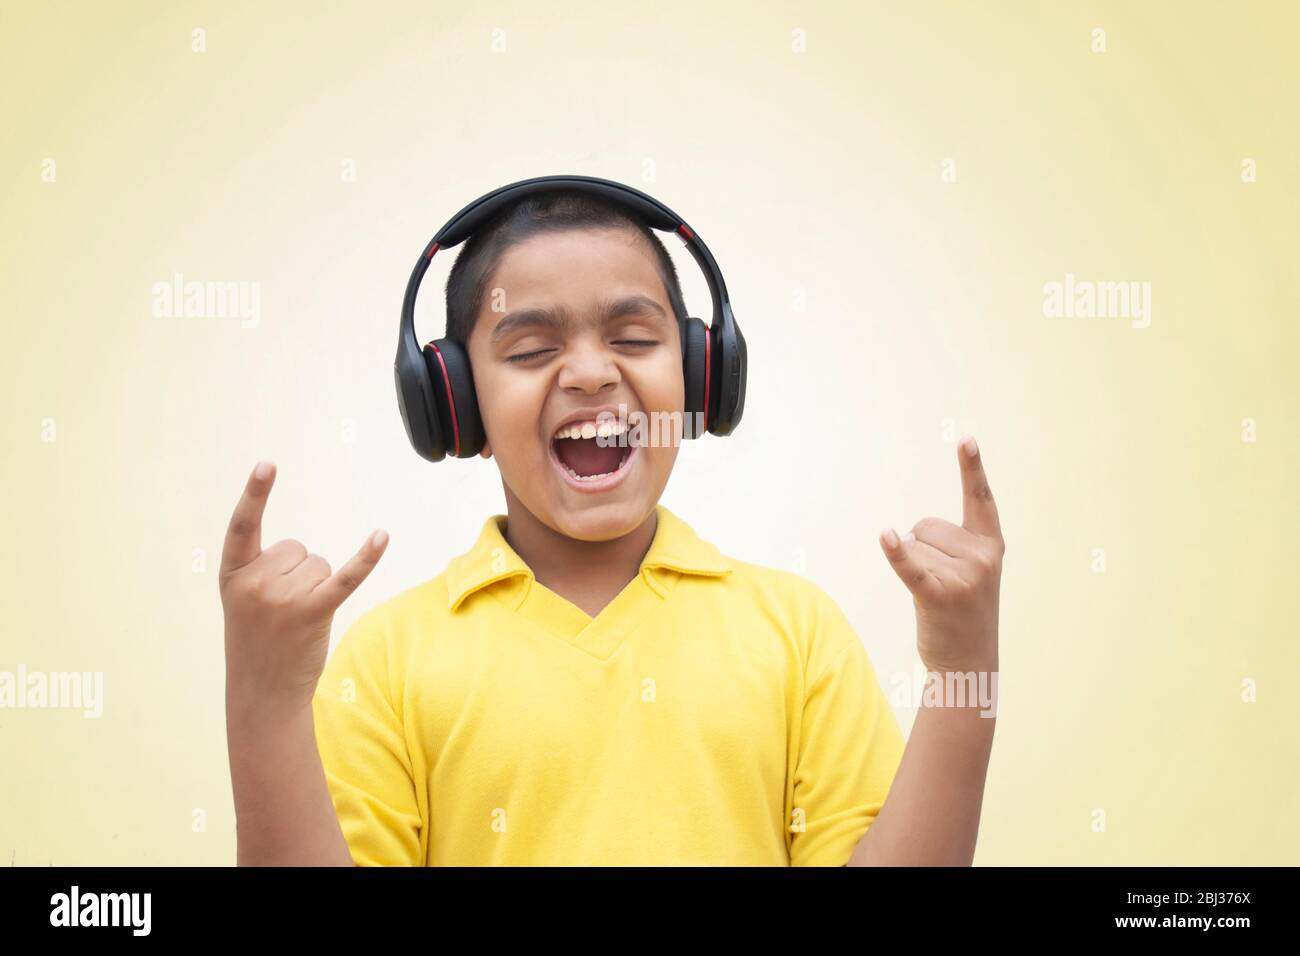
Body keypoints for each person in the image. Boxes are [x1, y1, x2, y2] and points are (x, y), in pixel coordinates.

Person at [220, 189, 1005, 866]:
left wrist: (963, 664)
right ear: (457, 405)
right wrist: (267, 702)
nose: (592, 373)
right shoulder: (389, 659)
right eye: (531, 348)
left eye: (633, 338)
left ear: (702, 373)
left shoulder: (797, 633)